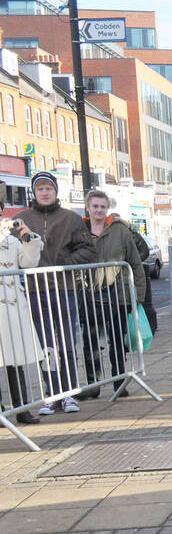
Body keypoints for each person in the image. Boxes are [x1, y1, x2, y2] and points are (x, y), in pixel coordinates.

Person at [14, 171, 96, 414]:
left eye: (48, 188)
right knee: (46, 345)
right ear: (34, 192)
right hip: (35, 291)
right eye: (40, 189)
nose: (44, 192)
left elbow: (88, 250)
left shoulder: (71, 219)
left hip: (64, 288)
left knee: (67, 342)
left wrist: (64, 264)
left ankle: (70, 393)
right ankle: (52, 393)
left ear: (55, 191)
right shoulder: (21, 219)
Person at [82, 190, 147, 399]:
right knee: (90, 341)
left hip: (117, 294)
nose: (99, 210)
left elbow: (136, 263)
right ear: (88, 207)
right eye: (95, 206)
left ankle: (119, 382)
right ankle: (94, 383)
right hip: (89, 294)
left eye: (103, 206)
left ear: (107, 208)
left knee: (117, 341)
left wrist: (138, 295)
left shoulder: (120, 230)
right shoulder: (79, 231)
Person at [0, 208, 44, 425]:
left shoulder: (11, 242)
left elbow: (28, 262)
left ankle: (23, 407)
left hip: (13, 306)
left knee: (16, 359)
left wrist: (29, 239)